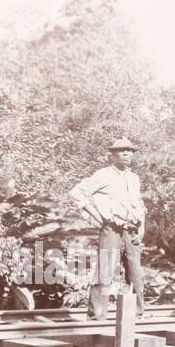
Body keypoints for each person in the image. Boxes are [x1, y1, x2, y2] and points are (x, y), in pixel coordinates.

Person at [69, 137, 146, 320]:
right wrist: (96, 215)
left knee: (136, 274)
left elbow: (139, 205)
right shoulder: (103, 175)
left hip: (132, 231)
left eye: (130, 150)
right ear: (112, 155)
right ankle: (97, 317)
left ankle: (137, 315)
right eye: (121, 150)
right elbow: (76, 192)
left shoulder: (134, 178)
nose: (127, 153)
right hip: (112, 229)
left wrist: (142, 228)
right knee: (105, 272)